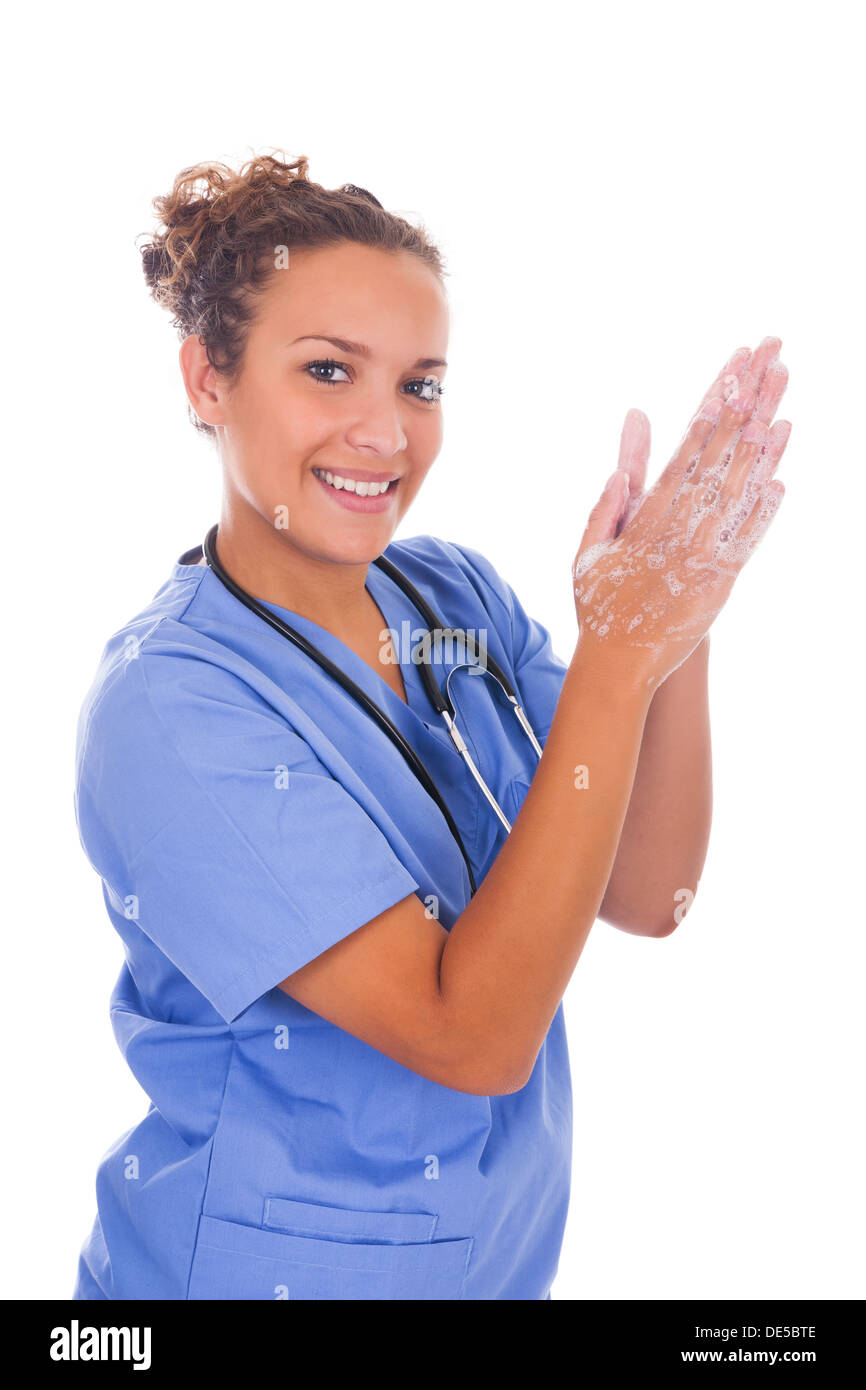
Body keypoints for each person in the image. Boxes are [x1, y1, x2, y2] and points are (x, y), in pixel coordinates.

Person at [71, 150, 790, 1301]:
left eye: (419, 385)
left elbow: (651, 894)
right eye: (326, 370)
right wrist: (613, 657)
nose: (385, 433)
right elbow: (475, 1040)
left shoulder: (450, 607)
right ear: (207, 377)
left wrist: (672, 628)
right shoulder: (171, 706)